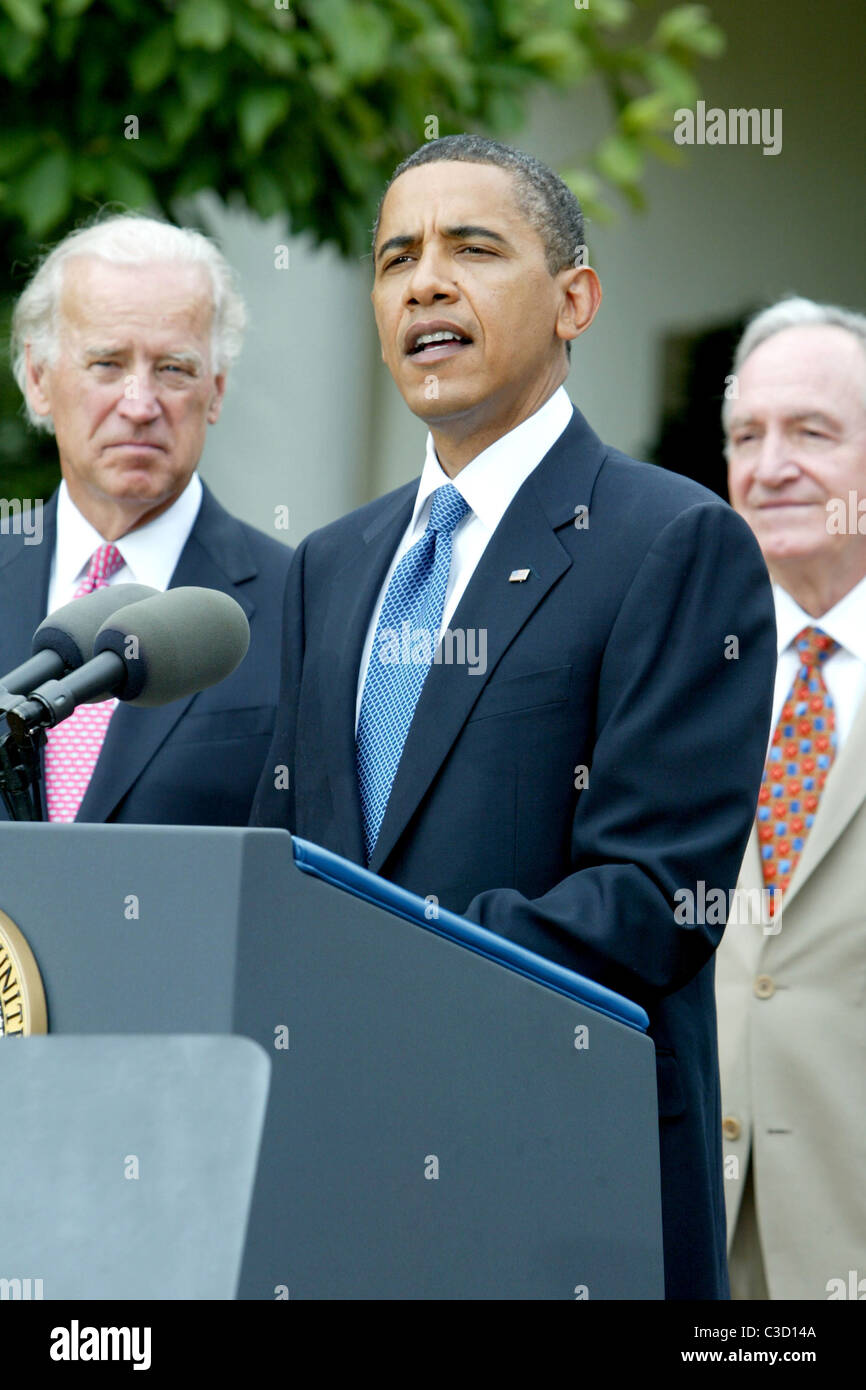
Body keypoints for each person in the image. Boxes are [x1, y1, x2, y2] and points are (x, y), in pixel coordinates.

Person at [252, 135, 777, 1299]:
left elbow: (650, 900)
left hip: (557, 1182)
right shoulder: (328, 565)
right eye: (395, 259)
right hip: (337, 1182)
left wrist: (373, 960)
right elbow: (280, 855)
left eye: (471, 249)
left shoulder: (673, 542)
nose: (423, 283)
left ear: (573, 299)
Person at [0, 214, 292, 825]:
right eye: (106, 364)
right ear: (37, 377)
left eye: (173, 369)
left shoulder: (301, 602)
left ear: (215, 390)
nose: (139, 405)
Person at [716, 296, 866, 1300]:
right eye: (743, 435)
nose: (768, 466)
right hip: (677, 1232)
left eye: (810, 432)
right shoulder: (666, 671)